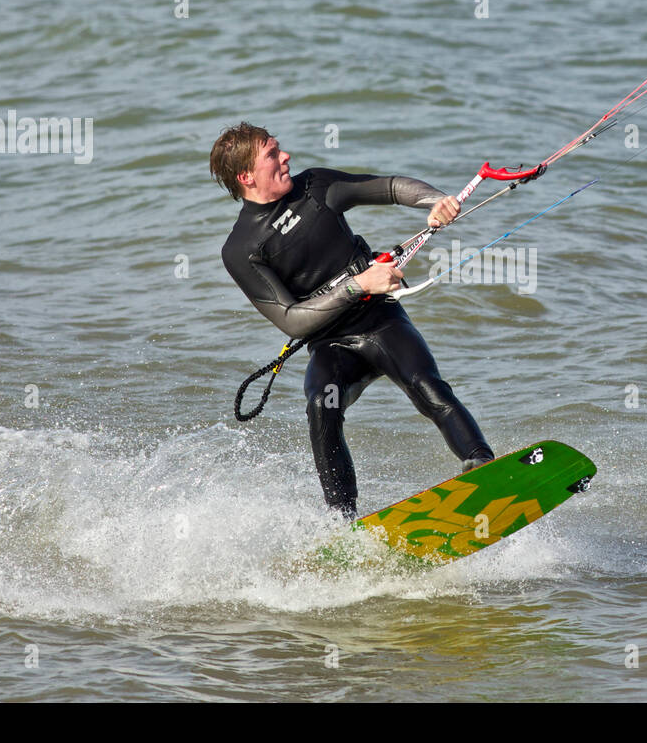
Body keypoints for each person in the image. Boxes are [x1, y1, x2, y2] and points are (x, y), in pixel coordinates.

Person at [211, 122, 494, 519]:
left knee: (425, 384)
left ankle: (481, 465)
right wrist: (358, 284)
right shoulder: (241, 249)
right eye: (272, 154)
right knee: (320, 407)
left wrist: (435, 201)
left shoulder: (317, 189)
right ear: (246, 177)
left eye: (280, 149)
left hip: (380, 320)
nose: (286, 156)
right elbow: (291, 320)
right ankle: (343, 524)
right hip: (331, 345)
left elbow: (390, 187)